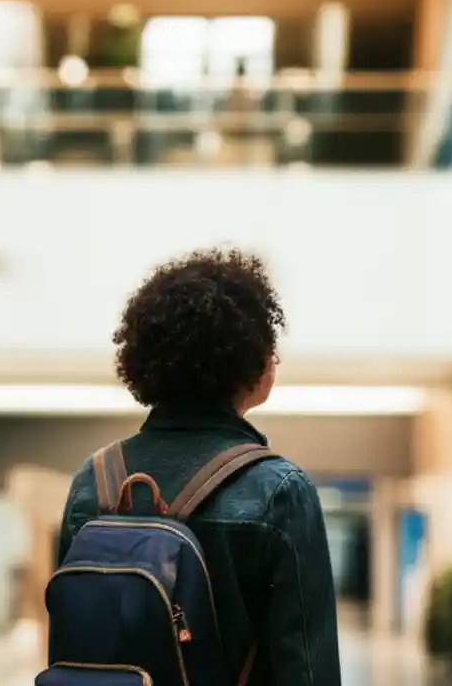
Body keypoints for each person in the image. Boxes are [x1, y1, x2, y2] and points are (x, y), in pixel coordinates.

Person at [56, 247, 341, 685]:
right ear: (253, 364)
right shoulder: (279, 491)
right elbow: (307, 671)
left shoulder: (93, 484)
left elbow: (72, 655)